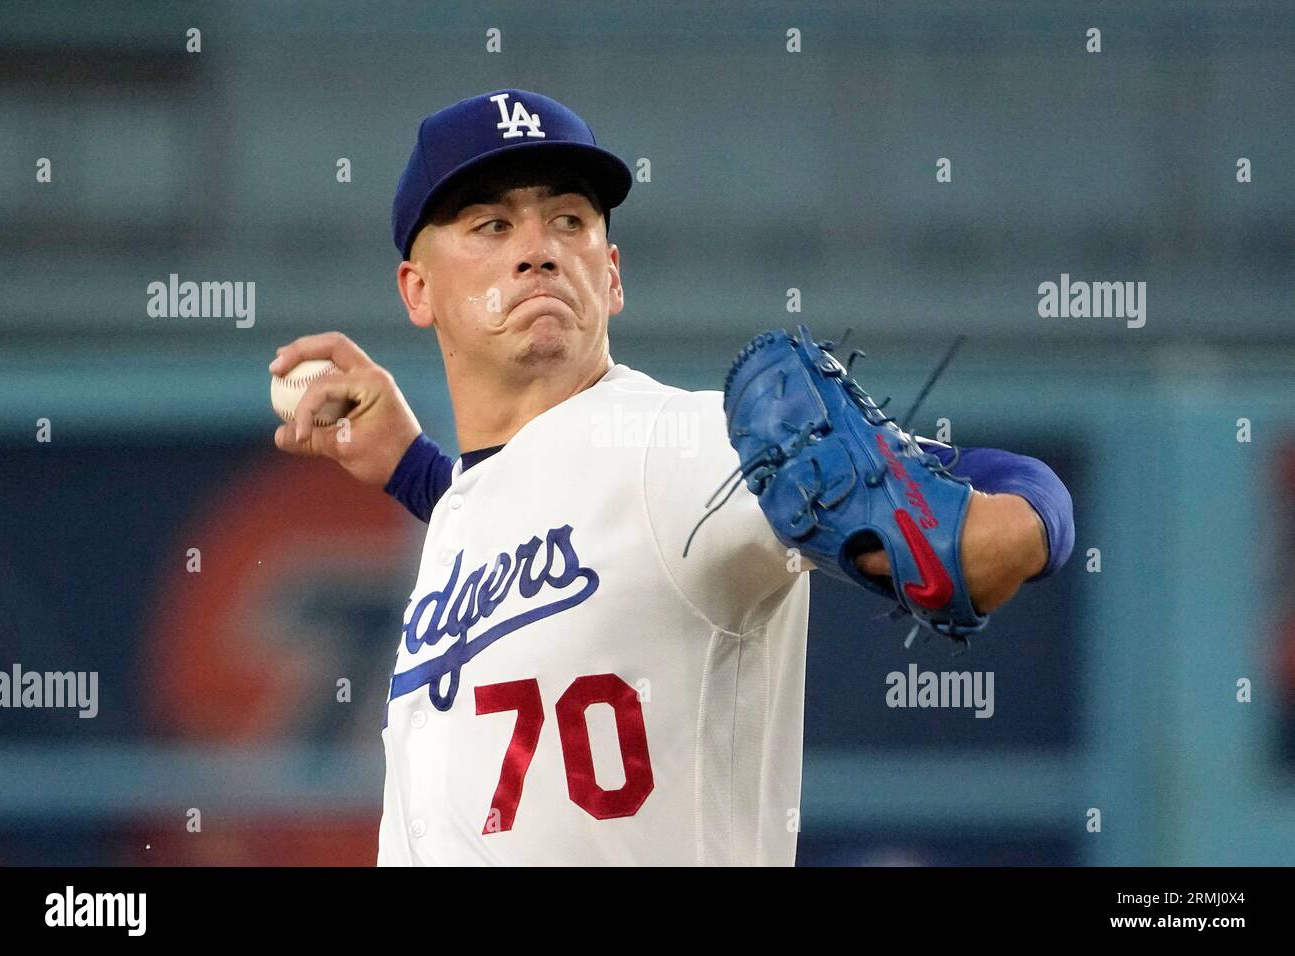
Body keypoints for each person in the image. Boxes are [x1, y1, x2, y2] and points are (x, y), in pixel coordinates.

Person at [269, 89, 1074, 866]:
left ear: (611, 274)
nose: (538, 247)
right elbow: (565, 532)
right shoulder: (474, 503)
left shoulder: (682, 445)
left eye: (570, 220)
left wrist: (1028, 519)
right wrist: (419, 473)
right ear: (417, 290)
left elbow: (993, 512)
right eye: (490, 224)